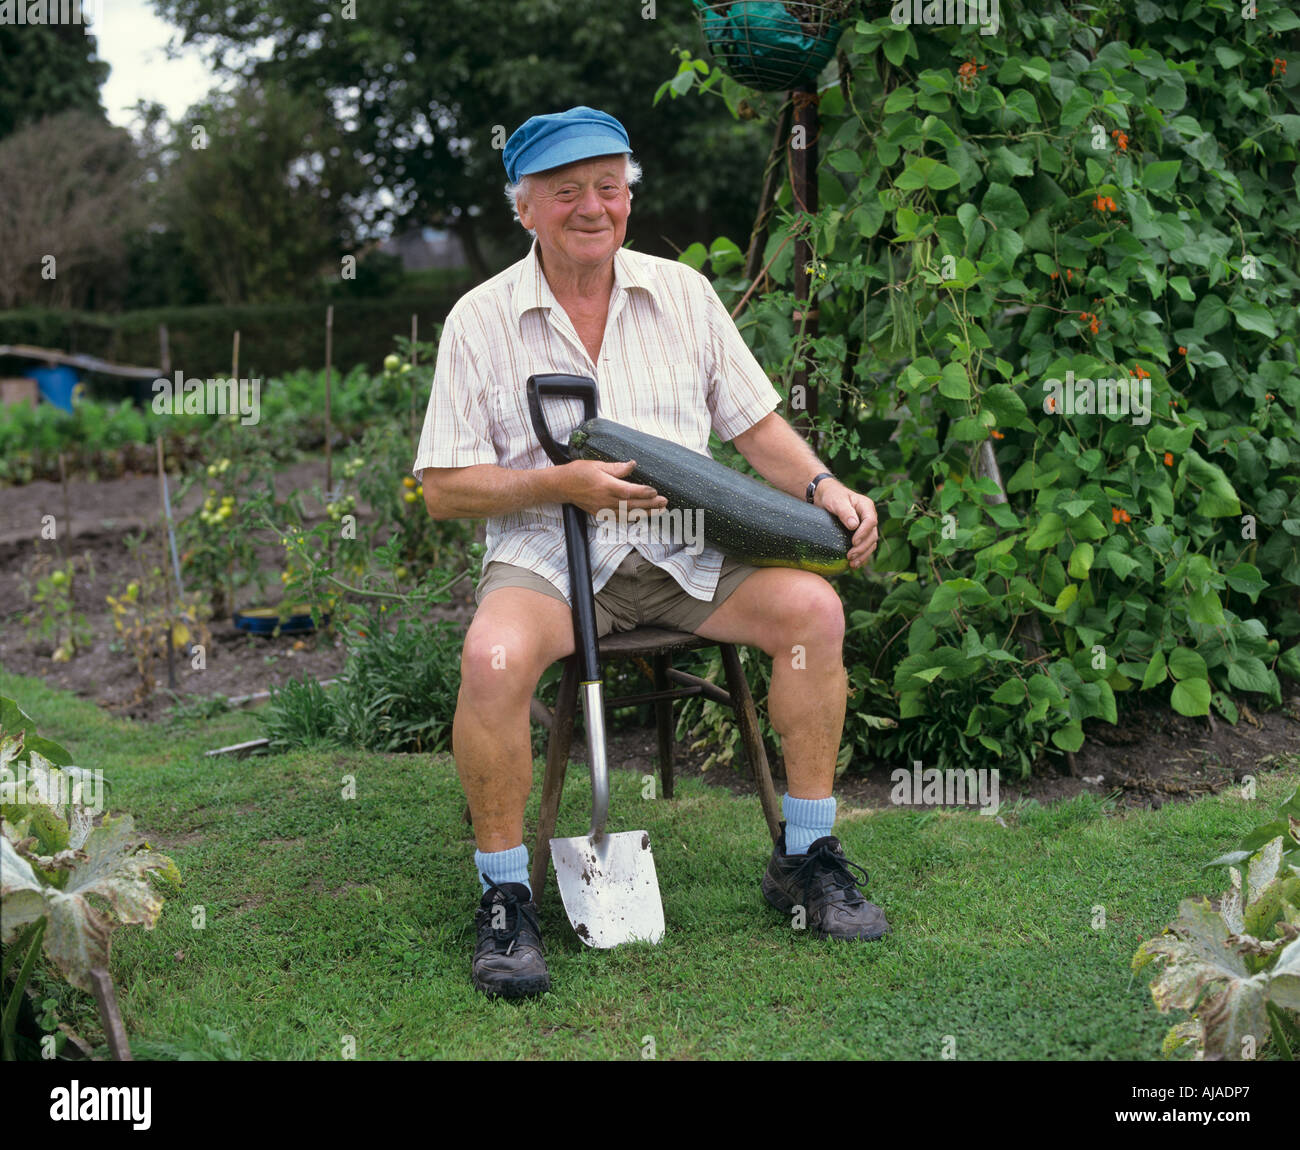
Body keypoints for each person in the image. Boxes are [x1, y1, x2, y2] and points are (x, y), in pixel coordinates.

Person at [413, 106, 887, 1000]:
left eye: (609, 187)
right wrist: (561, 485)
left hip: (685, 551)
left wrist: (825, 490)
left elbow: (755, 426)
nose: (592, 207)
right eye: (565, 192)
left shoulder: (683, 294)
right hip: (551, 560)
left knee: (814, 613)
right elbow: (445, 487)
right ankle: (505, 897)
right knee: (493, 656)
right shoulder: (478, 321)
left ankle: (806, 855)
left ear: (627, 195)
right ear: (524, 208)